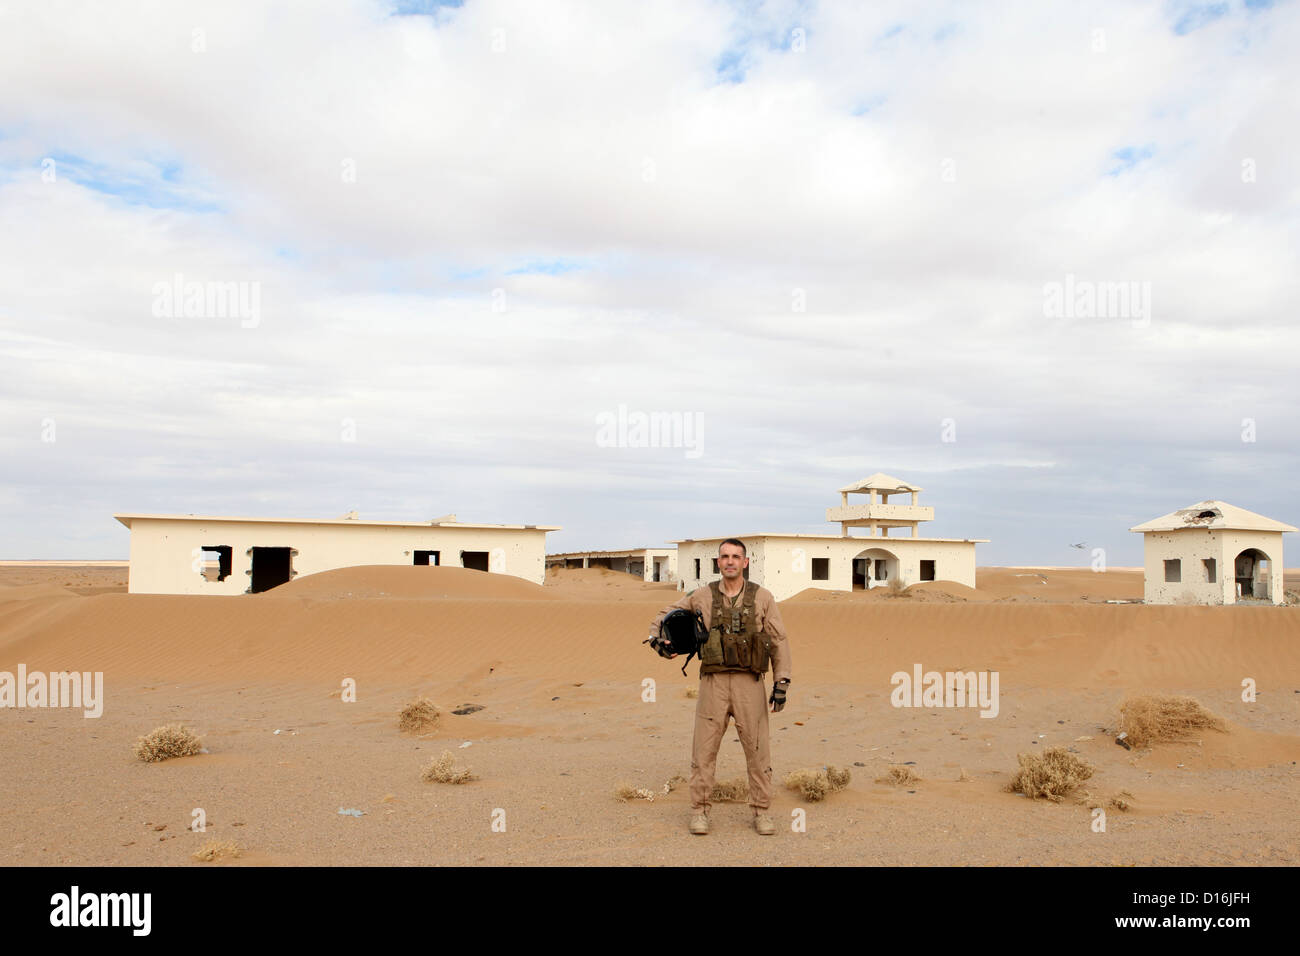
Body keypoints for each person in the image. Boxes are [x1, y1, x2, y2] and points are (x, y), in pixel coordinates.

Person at [647, 538, 792, 835]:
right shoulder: (701, 595)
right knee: (704, 751)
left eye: (735, 557)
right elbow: (665, 615)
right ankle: (699, 811)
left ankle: (761, 811)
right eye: (724, 556)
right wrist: (658, 640)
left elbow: (778, 640)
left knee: (757, 750)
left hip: (750, 684)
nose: (729, 561)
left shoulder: (763, 597)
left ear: (745, 562)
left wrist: (782, 682)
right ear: (718, 562)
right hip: (713, 683)